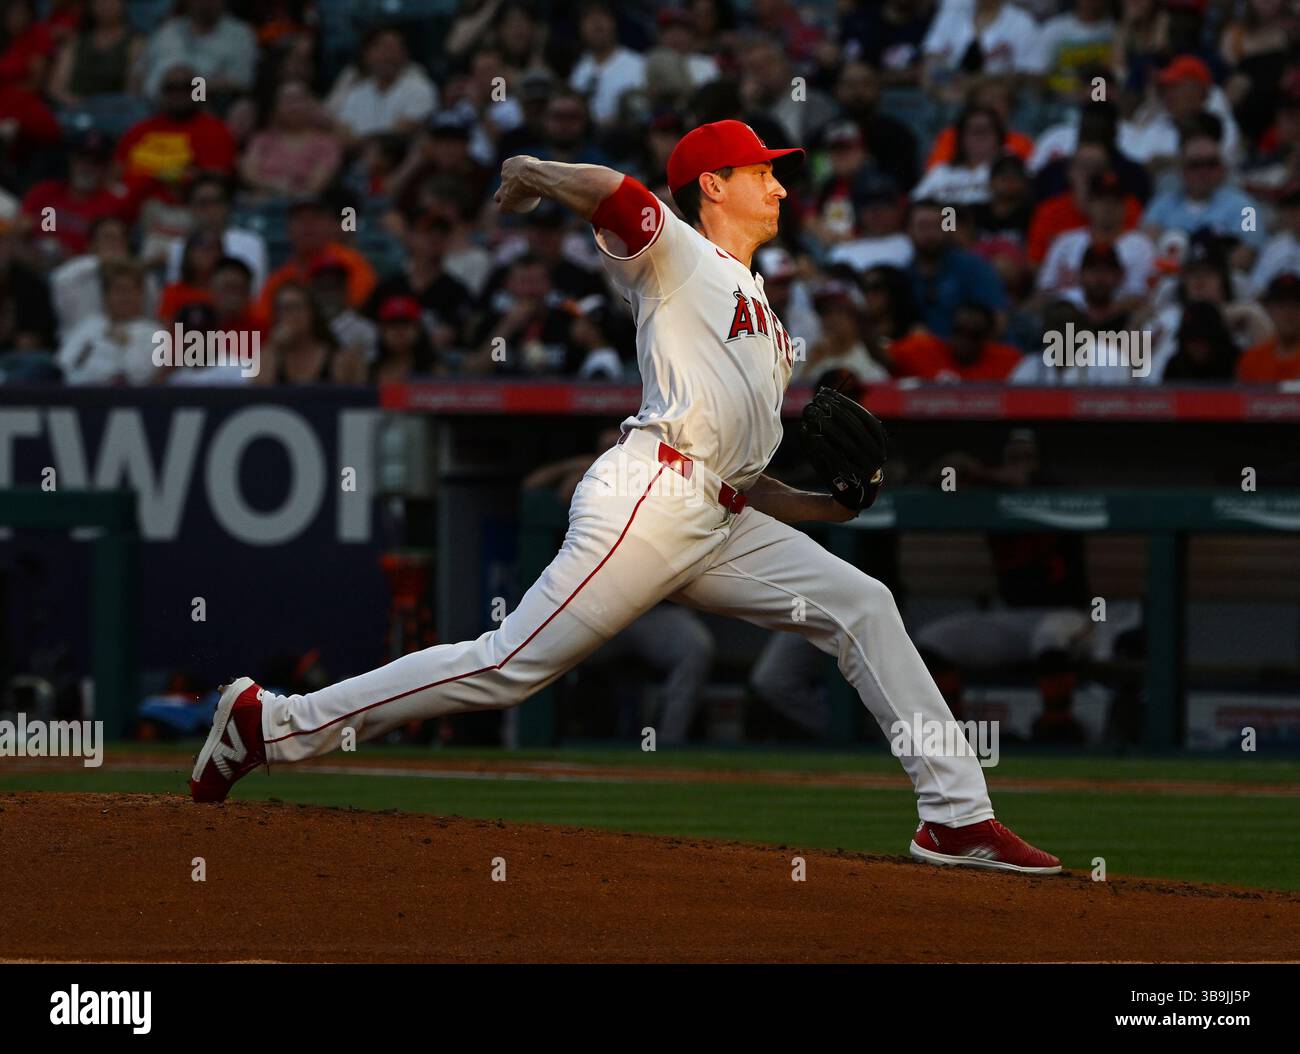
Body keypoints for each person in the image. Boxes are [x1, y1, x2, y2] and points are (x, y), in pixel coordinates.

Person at [191, 119, 1062, 876]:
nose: (781, 182)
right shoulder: (681, 252)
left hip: (721, 513)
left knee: (862, 603)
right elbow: (618, 193)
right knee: (506, 667)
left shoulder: (760, 301)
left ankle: (955, 819)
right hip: (652, 496)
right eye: (764, 170)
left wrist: (826, 510)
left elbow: (751, 479)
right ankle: (270, 724)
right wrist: (535, 169)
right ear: (714, 185)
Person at [56, 260, 157, 384]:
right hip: (80, 393)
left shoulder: (153, 331)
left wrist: (125, 344)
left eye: (131, 290)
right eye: (119, 290)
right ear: (106, 296)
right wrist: (95, 342)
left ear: (141, 296)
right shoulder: (90, 325)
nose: (125, 296)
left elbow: (140, 376)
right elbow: (66, 366)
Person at [1236, 273, 1300, 382]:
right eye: (1281, 305)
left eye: (1296, 304)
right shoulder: (1252, 360)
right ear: (1268, 309)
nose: (1289, 312)